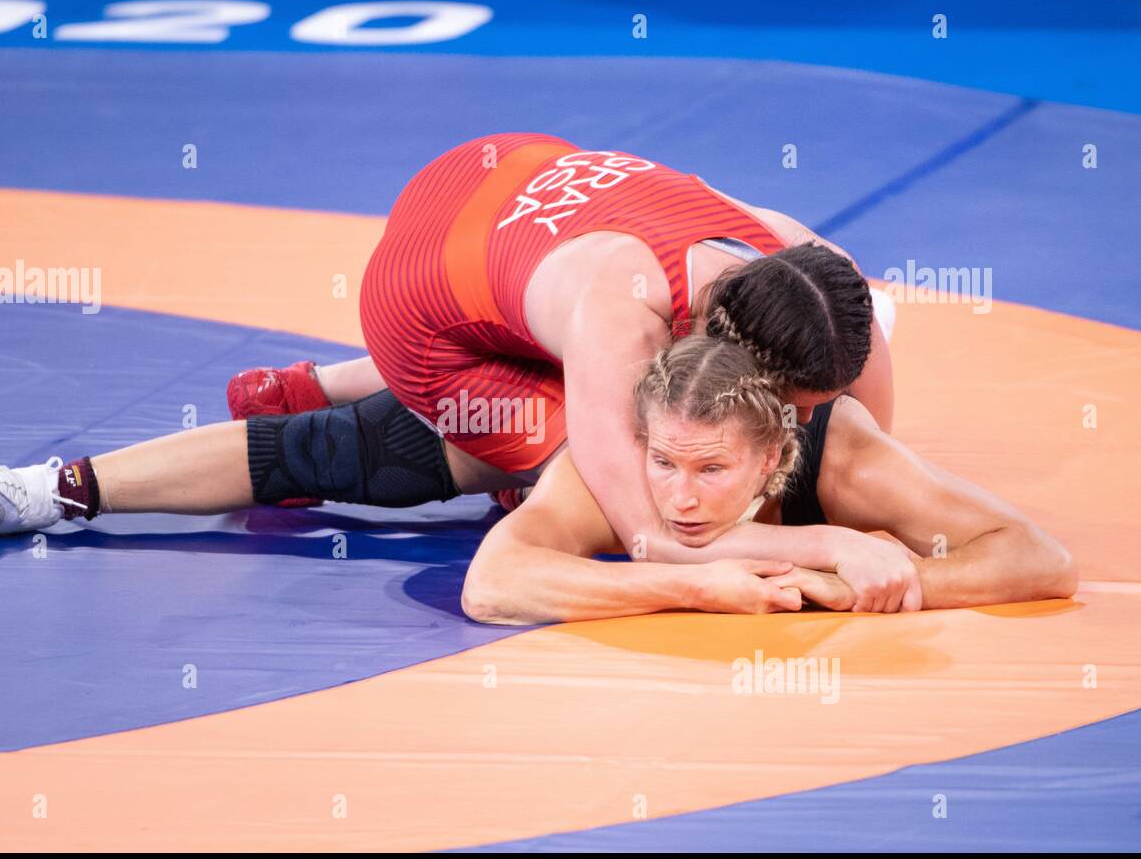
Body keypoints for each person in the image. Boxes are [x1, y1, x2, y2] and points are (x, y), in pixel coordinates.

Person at [222, 133, 902, 590]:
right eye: (796, 405)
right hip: (415, 302)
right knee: (623, 464)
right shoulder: (624, 314)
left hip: (498, 165)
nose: (807, 422)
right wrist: (828, 547)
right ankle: (383, 418)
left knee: (581, 343)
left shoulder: (814, 269)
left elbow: (856, 440)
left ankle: (312, 386)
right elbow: (652, 538)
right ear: (736, 357)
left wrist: (850, 474)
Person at [458, 336, 1077, 624]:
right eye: (665, 462)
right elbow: (490, 585)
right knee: (373, 453)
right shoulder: (619, 463)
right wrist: (694, 588)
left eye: (712, 469)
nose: (679, 498)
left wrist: (890, 582)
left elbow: (1041, 558)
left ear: (772, 456)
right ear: (643, 440)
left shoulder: (844, 458)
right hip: (512, 403)